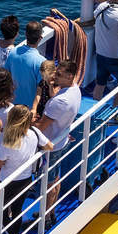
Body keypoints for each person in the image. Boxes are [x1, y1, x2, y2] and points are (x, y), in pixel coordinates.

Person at [0, 107, 49, 234]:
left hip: (7, 181)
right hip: (25, 179)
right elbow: (49, 146)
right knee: (17, 209)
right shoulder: (35, 133)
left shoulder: (9, 140)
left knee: (4, 211)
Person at [34, 60, 81, 220]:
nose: (55, 76)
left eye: (59, 74)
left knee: (47, 183)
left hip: (51, 145)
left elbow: (41, 127)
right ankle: (51, 211)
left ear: (69, 76)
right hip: (62, 140)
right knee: (55, 178)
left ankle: (45, 217)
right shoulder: (75, 90)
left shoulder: (60, 101)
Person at [5, 22, 47, 109]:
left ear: (25, 35)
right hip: (28, 108)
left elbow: (6, 76)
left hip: (12, 104)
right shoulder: (41, 61)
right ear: (40, 38)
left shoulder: (12, 53)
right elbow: (41, 89)